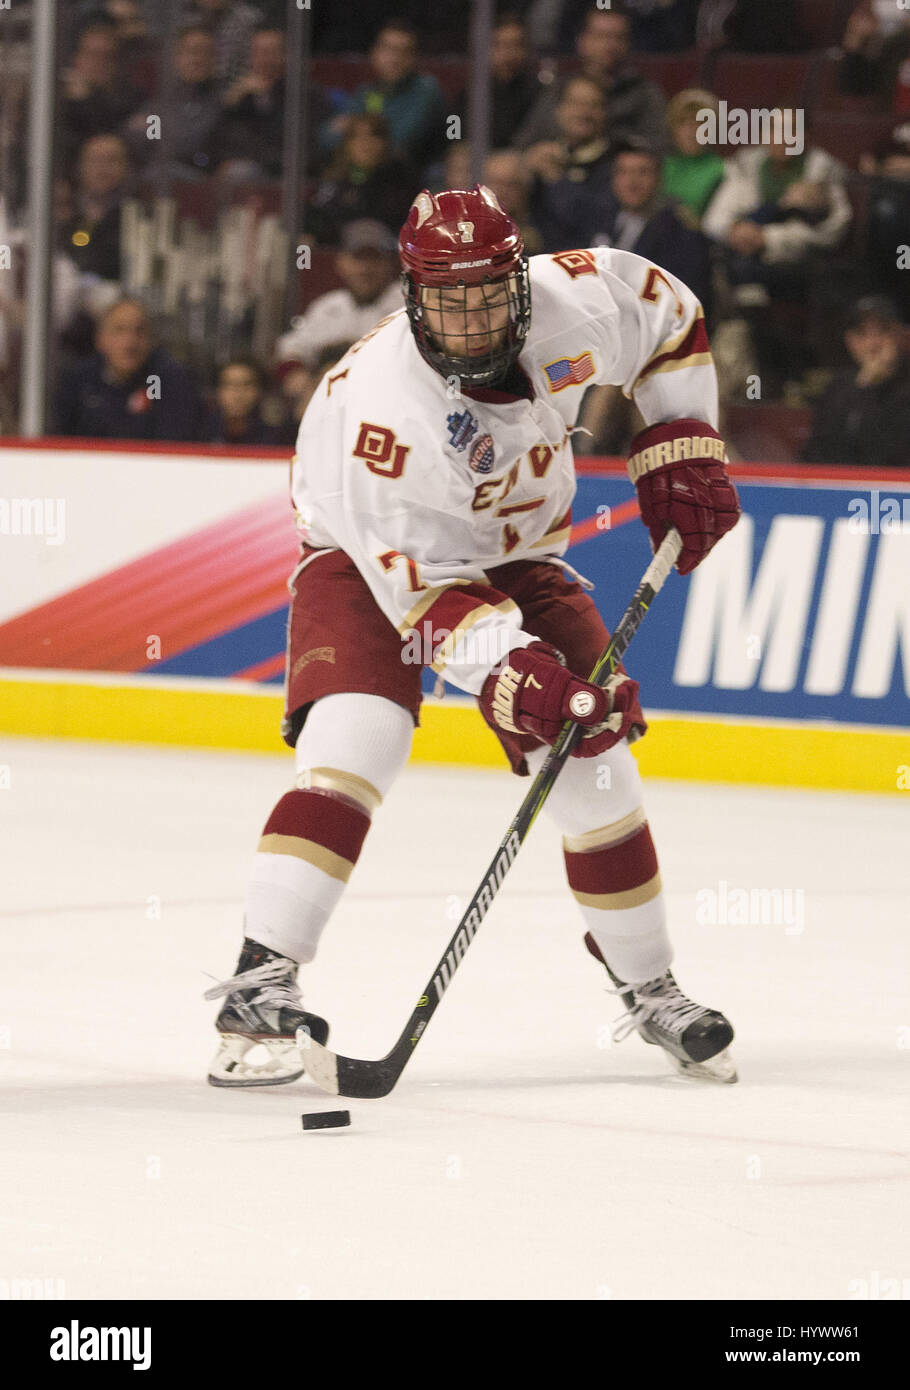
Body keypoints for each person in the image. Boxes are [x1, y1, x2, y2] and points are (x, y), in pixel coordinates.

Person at [205, 184, 741, 1090]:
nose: (472, 314)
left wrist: (683, 435)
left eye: (489, 290)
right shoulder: (386, 414)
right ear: (414, 295)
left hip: (519, 554)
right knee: (357, 743)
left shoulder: (574, 296)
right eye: (448, 297)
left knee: (595, 763)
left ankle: (651, 987)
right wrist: (521, 676)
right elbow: (425, 598)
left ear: (517, 278)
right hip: (370, 561)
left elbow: (669, 315)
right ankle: (260, 986)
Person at [274, 220, 403, 400]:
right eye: (358, 259)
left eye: (374, 259)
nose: (365, 269)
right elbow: (291, 349)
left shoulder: (406, 305)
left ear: (388, 263)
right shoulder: (328, 306)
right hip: (332, 399)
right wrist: (297, 375)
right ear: (342, 262)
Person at [514, 7, 666, 154]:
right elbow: (524, 144)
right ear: (582, 41)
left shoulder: (644, 93)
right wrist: (534, 156)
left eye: (618, 37)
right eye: (601, 36)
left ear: (628, 44)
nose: (610, 46)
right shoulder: (559, 89)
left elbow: (662, 147)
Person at [54, 297, 206, 441]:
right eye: (119, 330)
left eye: (139, 332)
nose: (130, 343)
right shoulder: (78, 382)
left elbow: (174, 443)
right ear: (100, 339)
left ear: (151, 340)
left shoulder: (165, 381)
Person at [319, 19, 447, 172]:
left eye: (404, 52)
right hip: (365, 173)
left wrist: (356, 131)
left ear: (415, 58)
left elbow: (399, 141)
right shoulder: (368, 91)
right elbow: (327, 137)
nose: (394, 59)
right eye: (388, 49)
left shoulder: (426, 90)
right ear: (374, 53)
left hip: (411, 176)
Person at [802, 297, 910, 467]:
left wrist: (874, 387)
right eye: (861, 334)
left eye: (882, 332)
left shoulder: (905, 389)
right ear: (849, 340)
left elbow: (889, 452)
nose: (872, 344)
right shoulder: (838, 388)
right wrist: (863, 387)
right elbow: (819, 451)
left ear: (901, 335)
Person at [525, 76, 618, 251]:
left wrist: (556, 180)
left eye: (594, 105)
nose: (584, 113)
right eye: (575, 103)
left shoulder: (616, 162)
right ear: (558, 110)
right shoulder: (539, 155)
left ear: (605, 113)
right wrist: (524, 172)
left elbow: (597, 221)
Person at [306, 113, 417, 245]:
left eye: (373, 135)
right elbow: (316, 213)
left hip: (385, 248)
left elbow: (394, 218)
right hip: (338, 247)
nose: (365, 143)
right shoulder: (335, 177)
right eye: (356, 137)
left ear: (385, 142)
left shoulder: (400, 177)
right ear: (347, 144)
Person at [454, 13, 541, 150]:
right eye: (499, 45)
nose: (508, 53)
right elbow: (452, 129)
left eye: (516, 45)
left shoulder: (538, 95)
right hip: (472, 162)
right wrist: (456, 147)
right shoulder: (469, 93)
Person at [661, 89, 726, 223]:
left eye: (701, 123)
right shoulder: (659, 165)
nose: (692, 131)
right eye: (684, 122)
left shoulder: (721, 170)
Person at [205, 357, 291, 444]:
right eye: (229, 385)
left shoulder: (277, 435)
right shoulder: (202, 431)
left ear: (259, 390)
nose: (238, 394)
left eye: (246, 385)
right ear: (218, 391)